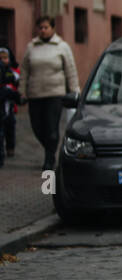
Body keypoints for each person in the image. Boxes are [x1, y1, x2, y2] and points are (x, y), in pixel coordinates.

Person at [19, 16, 78, 171]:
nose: (43, 30)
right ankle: (50, 150)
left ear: (53, 28)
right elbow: (24, 70)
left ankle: (49, 159)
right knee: (37, 127)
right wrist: (22, 91)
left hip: (55, 94)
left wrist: (74, 91)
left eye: (46, 27)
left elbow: (70, 70)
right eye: (41, 28)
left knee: (51, 129)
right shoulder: (31, 47)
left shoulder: (62, 46)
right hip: (35, 94)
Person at [0, 46, 20, 164]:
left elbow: (16, 90)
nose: (2, 60)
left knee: (10, 127)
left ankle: (10, 147)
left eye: (5, 58)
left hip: (9, 107)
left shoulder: (12, 72)